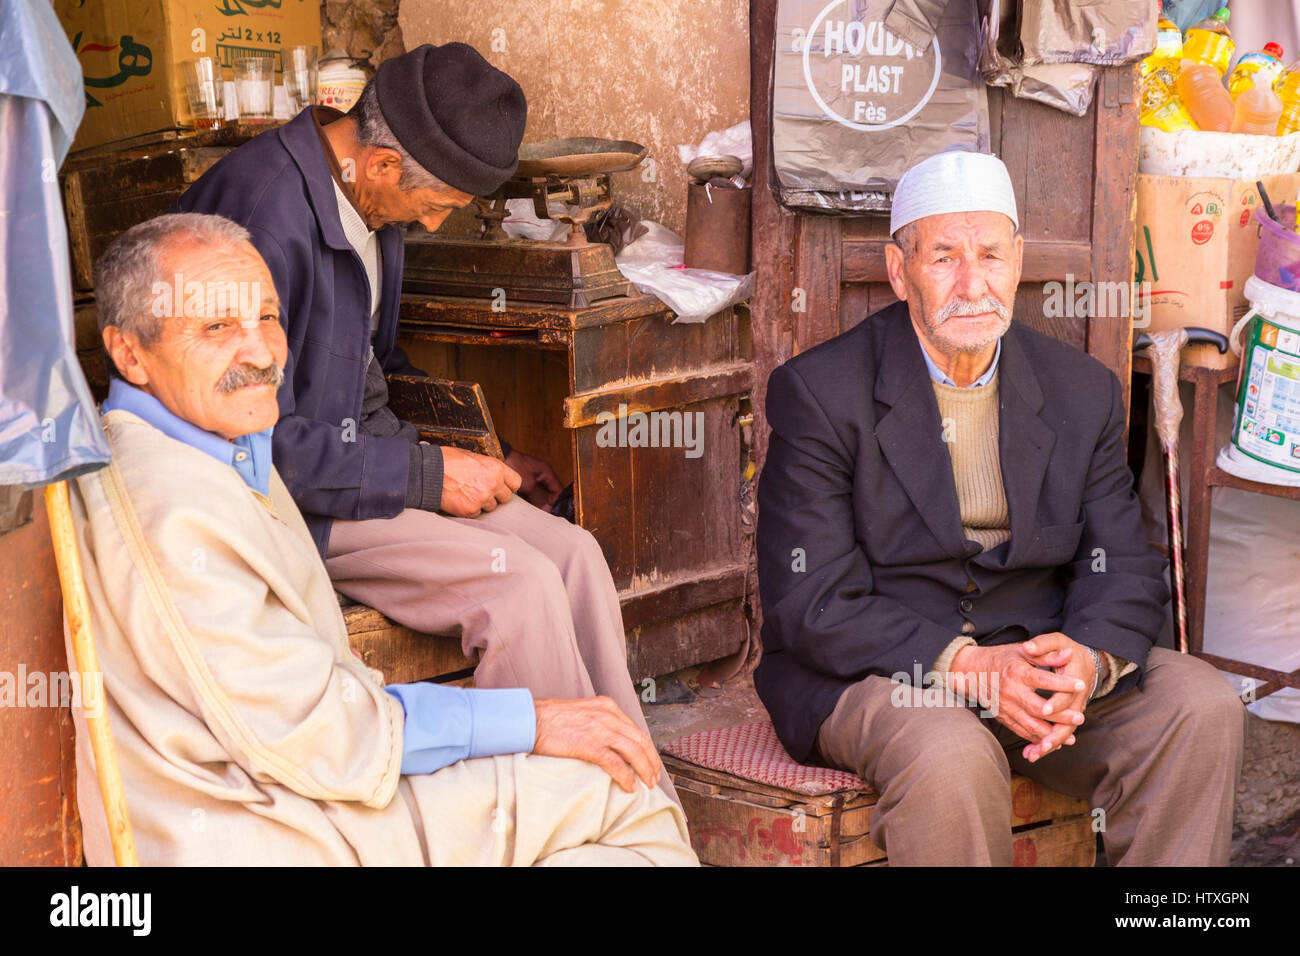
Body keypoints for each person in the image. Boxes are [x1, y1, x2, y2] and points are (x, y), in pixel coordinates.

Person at [69, 212, 695, 865]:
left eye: (267, 318)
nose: (257, 352)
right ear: (129, 353)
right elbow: (330, 739)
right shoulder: (174, 514)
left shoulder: (205, 443)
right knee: (625, 801)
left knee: (620, 795)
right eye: (217, 327)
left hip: (304, 788)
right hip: (284, 827)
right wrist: (536, 723)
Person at [172, 43, 675, 800]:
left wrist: (486, 453)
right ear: (379, 165)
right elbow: (247, 443)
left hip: (360, 469)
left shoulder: (373, 209)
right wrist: (431, 476)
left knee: (574, 555)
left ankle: (640, 809)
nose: (435, 222)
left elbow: (371, 368)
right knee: (521, 587)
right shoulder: (262, 218)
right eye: (436, 204)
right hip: (278, 504)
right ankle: (550, 824)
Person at [754, 149, 1245, 866]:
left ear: (1017, 261)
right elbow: (812, 600)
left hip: (1036, 663)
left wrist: (1089, 660)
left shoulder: (1081, 390)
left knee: (1200, 705)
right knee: (949, 752)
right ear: (900, 271)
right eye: (944, 257)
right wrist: (970, 667)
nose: (971, 282)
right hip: (885, 670)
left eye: (989, 255)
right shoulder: (822, 393)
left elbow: (1123, 565)